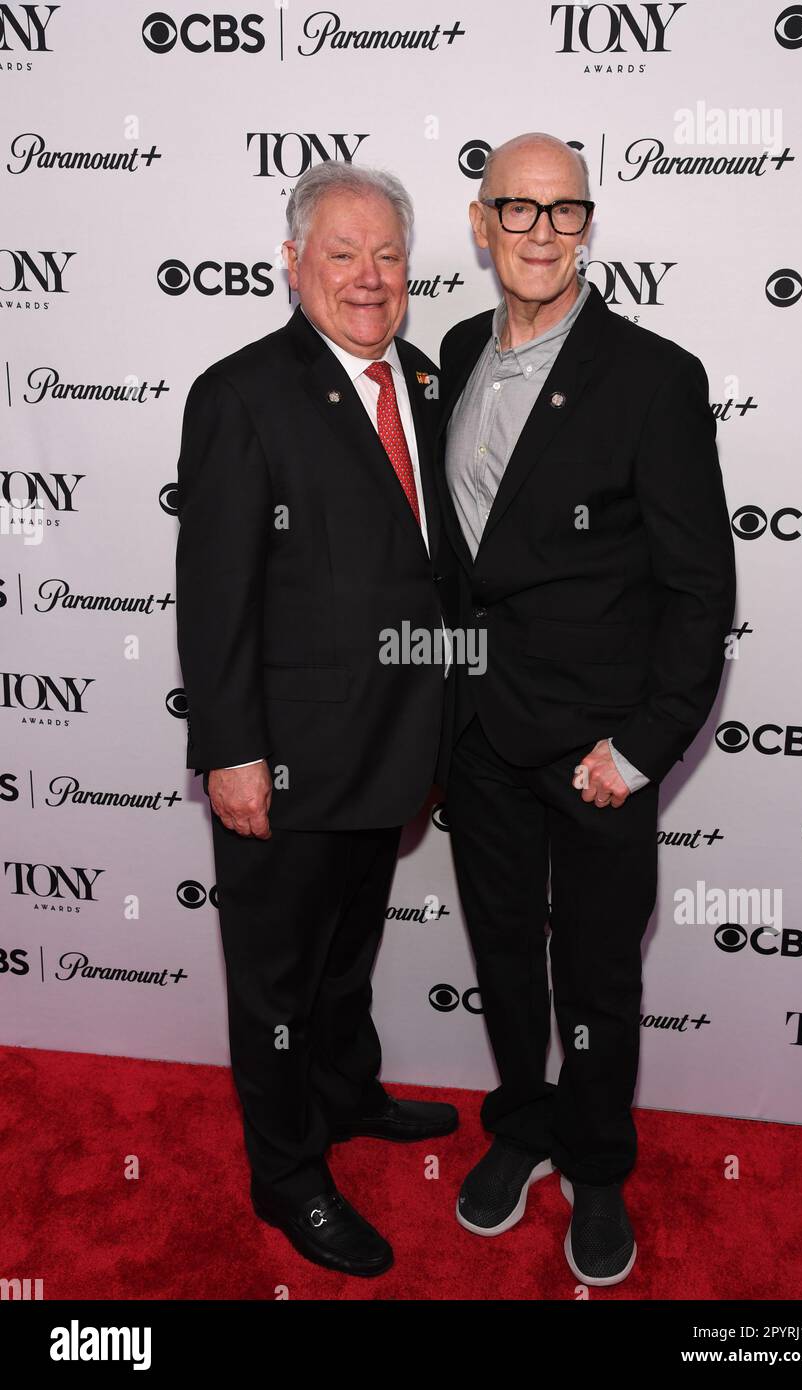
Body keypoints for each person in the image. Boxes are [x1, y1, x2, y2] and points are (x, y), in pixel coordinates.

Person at [435, 132, 736, 1285]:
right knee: (504, 952)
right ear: (481, 223)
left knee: (599, 971)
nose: (541, 232)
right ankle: (521, 1124)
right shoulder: (456, 348)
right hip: (475, 733)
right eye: (517, 209)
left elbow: (697, 586)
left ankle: (597, 1161)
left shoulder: (651, 375)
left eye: (564, 211)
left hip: (597, 747)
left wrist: (645, 744)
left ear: (586, 225)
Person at [175, 162, 457, 1279]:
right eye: (341, 253)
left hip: (394, 745)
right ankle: (287, 1173)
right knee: (277, 983)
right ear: (291, 262)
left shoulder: (428, 381)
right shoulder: (240, 392)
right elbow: (214, 591)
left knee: (346, 958)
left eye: (387, 254)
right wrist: (232, 750)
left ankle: (346, 1098)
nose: (368, 276)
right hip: (285, 763)